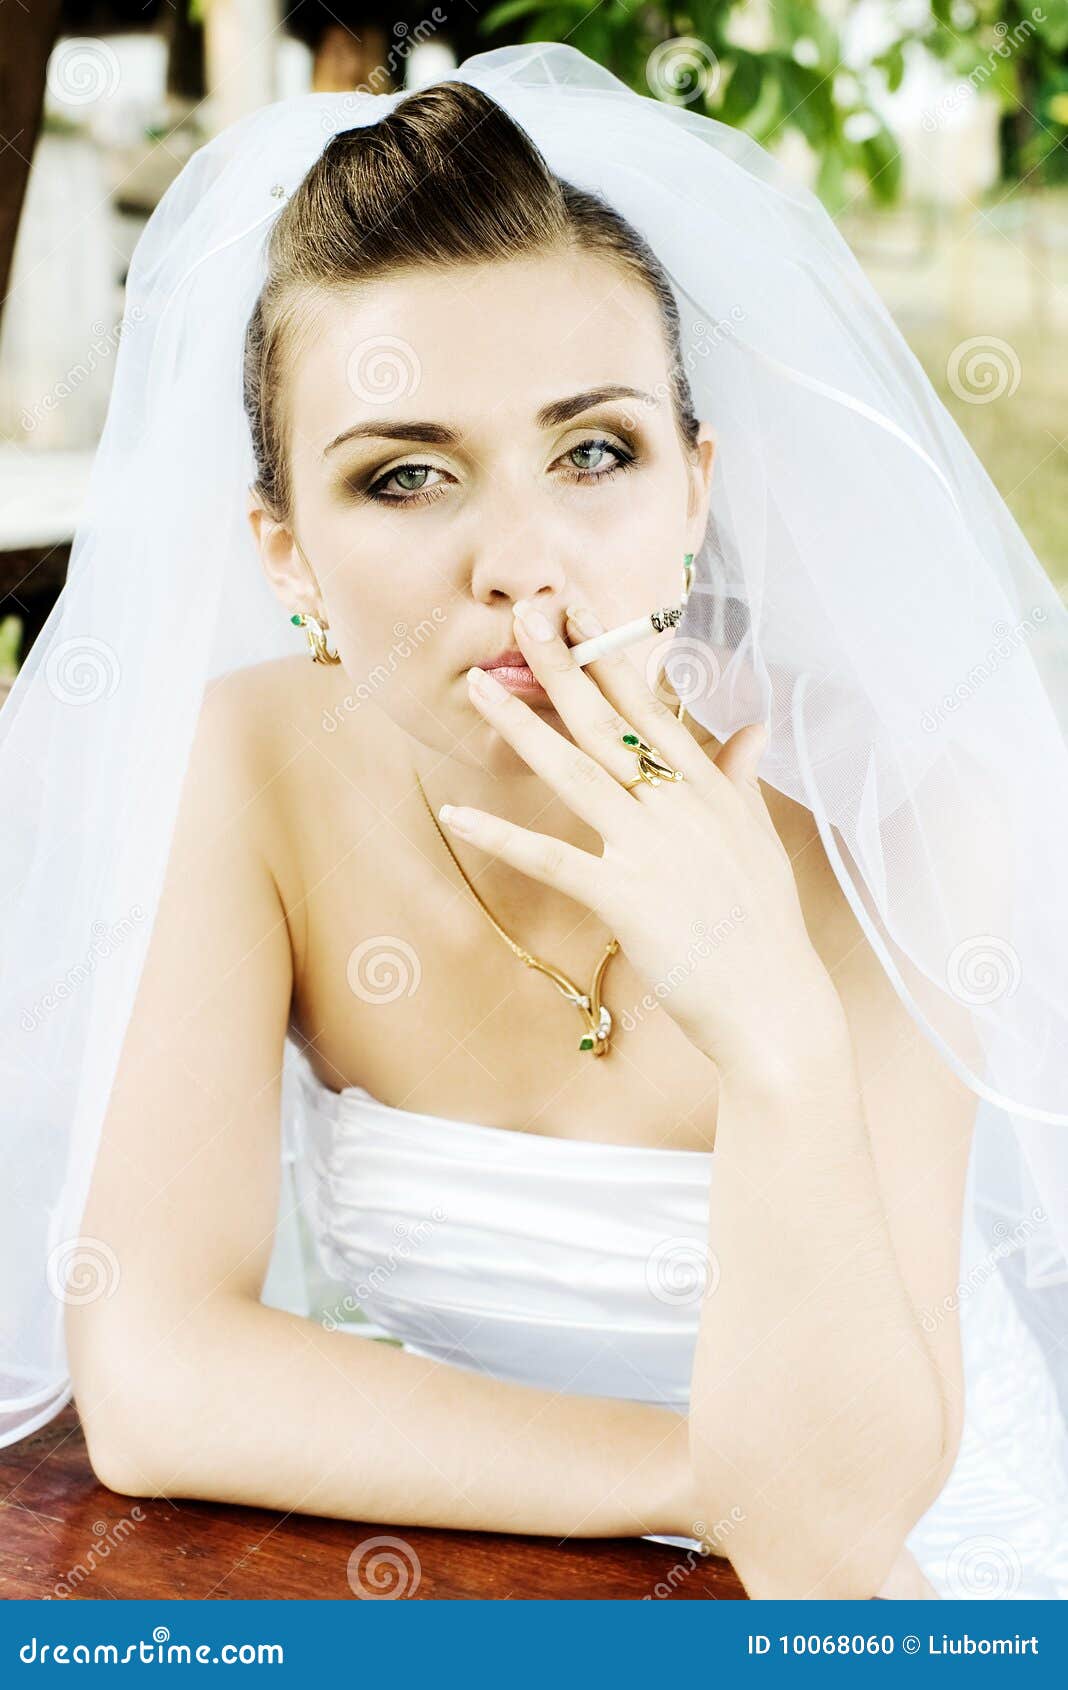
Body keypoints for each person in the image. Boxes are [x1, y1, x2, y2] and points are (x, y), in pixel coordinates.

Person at [1, 43, 1066, 1603]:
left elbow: (836, 1541)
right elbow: (158, 1375)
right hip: (512, 1569)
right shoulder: (242, 765)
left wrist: (773, 1020)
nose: (519, 560)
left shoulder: (899, 803)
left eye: (593, 452)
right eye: (407, 475)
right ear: (285, 555)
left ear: (695, 491)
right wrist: (696, 1469)